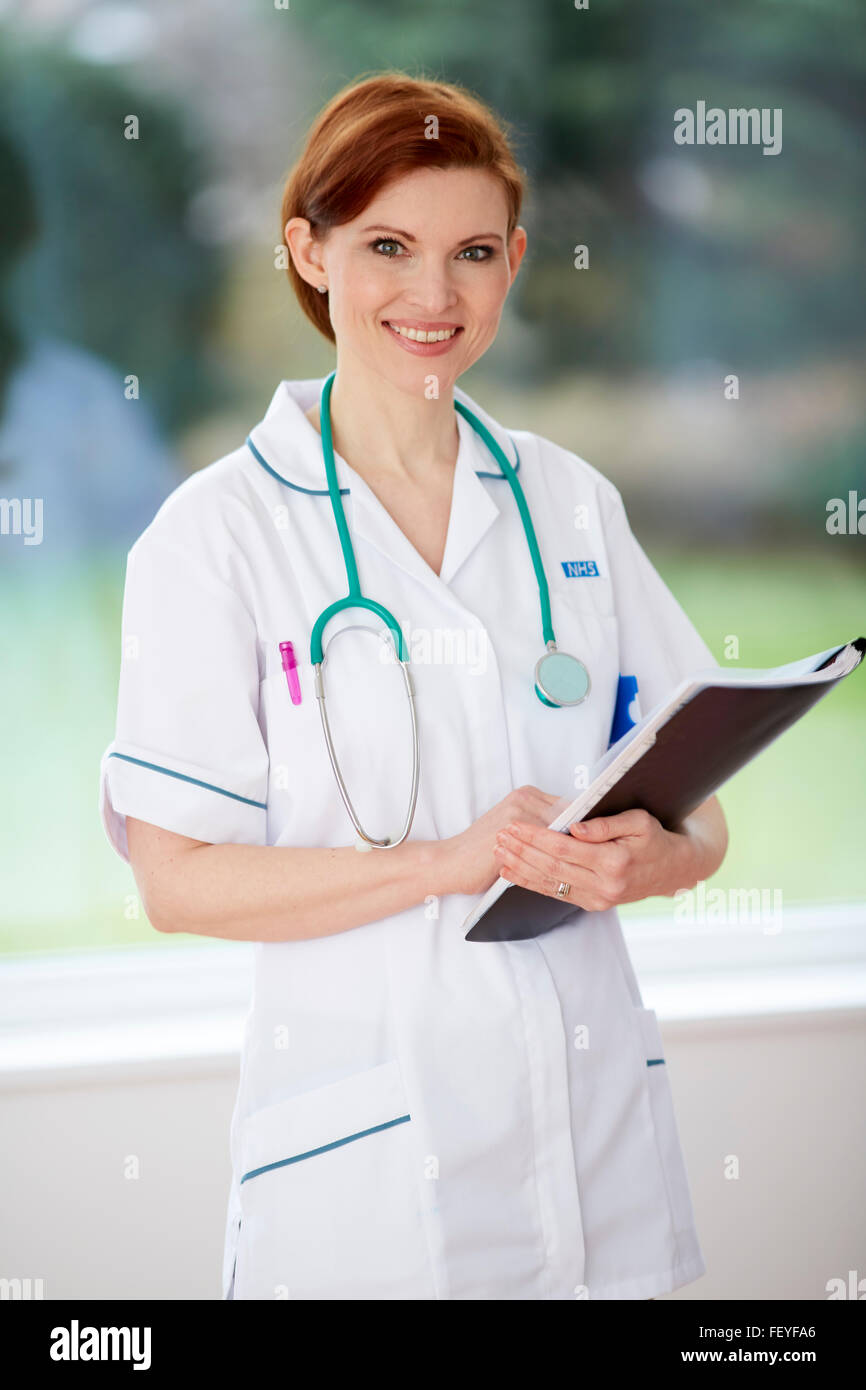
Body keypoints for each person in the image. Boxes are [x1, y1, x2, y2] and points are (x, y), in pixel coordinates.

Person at [99, 72, 728, 1301]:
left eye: (473, 252)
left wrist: (655, 860)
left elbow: (696, 800)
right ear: (309, 251)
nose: (433, 295)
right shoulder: (214, 536)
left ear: (513, 263)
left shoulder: (565, 500)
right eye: (387, 245)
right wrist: (446, 861)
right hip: (368, 1186)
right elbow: (175, 881)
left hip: (596, 1151)